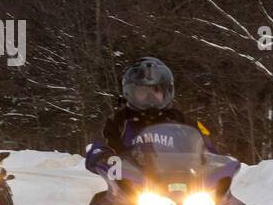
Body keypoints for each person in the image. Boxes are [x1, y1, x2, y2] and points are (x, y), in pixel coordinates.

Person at [86, 58, 214, 177]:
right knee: (101, 201)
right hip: (132, 188)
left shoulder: (183, 121)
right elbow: (99, 147)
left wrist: (210, 160)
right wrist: (102, 157)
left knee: (225, 201)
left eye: (156, 91)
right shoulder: (117, 121)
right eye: (142, 92)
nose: (150, 97)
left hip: (184, 185)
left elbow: (209, 149)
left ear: (167, 92)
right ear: (130, 93)